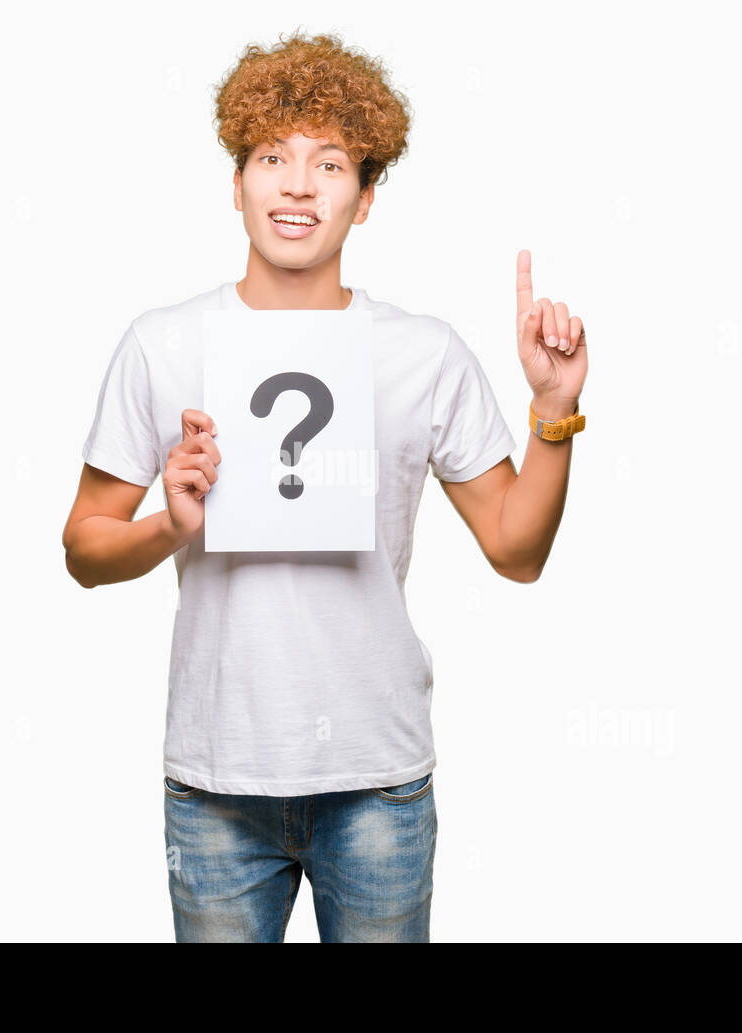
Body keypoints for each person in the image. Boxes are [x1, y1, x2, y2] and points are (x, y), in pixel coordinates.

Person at [61, 31, 589, 942]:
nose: (298, 185)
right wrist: (168, 523)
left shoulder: (423, 353)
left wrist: (552, 411)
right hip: (216, 781)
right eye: (273, 158)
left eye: (330, 163)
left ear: (367, 197)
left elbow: (516, 549)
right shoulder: (163, 344)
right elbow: (82, 548)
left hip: (377, 779)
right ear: (237, 185)